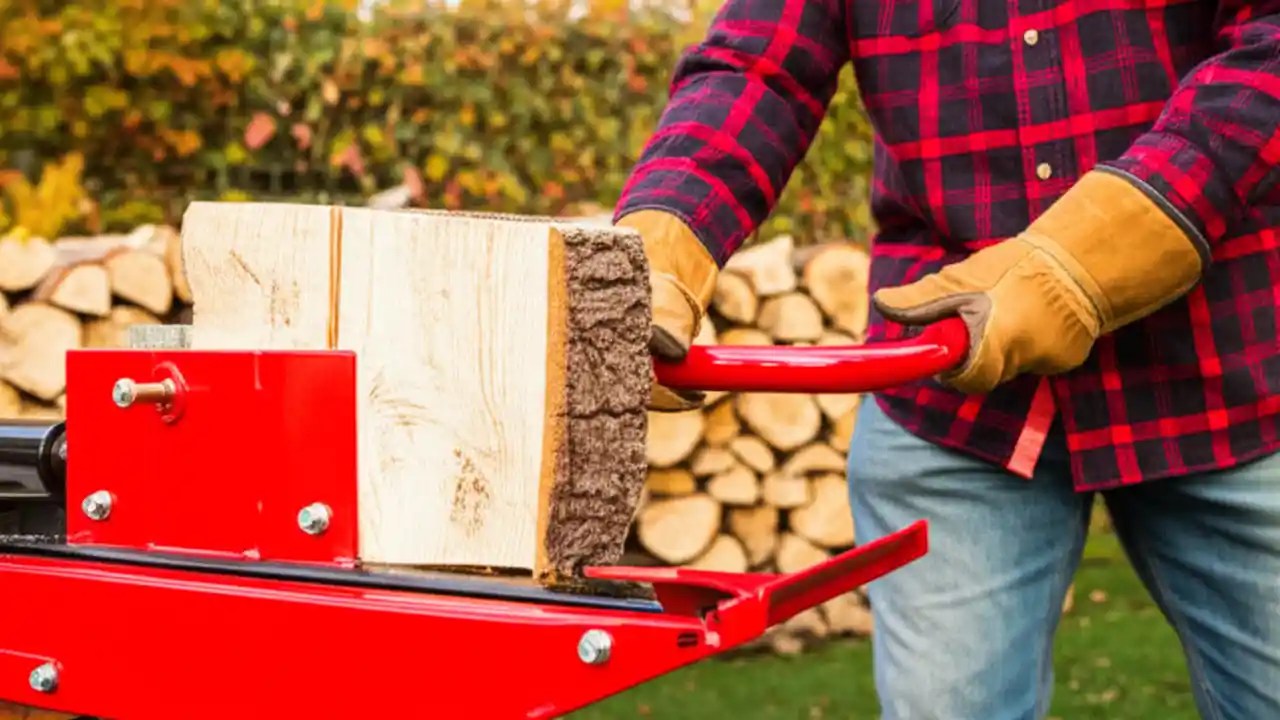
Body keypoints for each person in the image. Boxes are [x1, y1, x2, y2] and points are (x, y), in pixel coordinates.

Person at [612, 0, 1280, 717]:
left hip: (1225, 375)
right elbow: (757, 68)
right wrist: (659, 242)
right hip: (950, 396)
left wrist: (1085, 263)